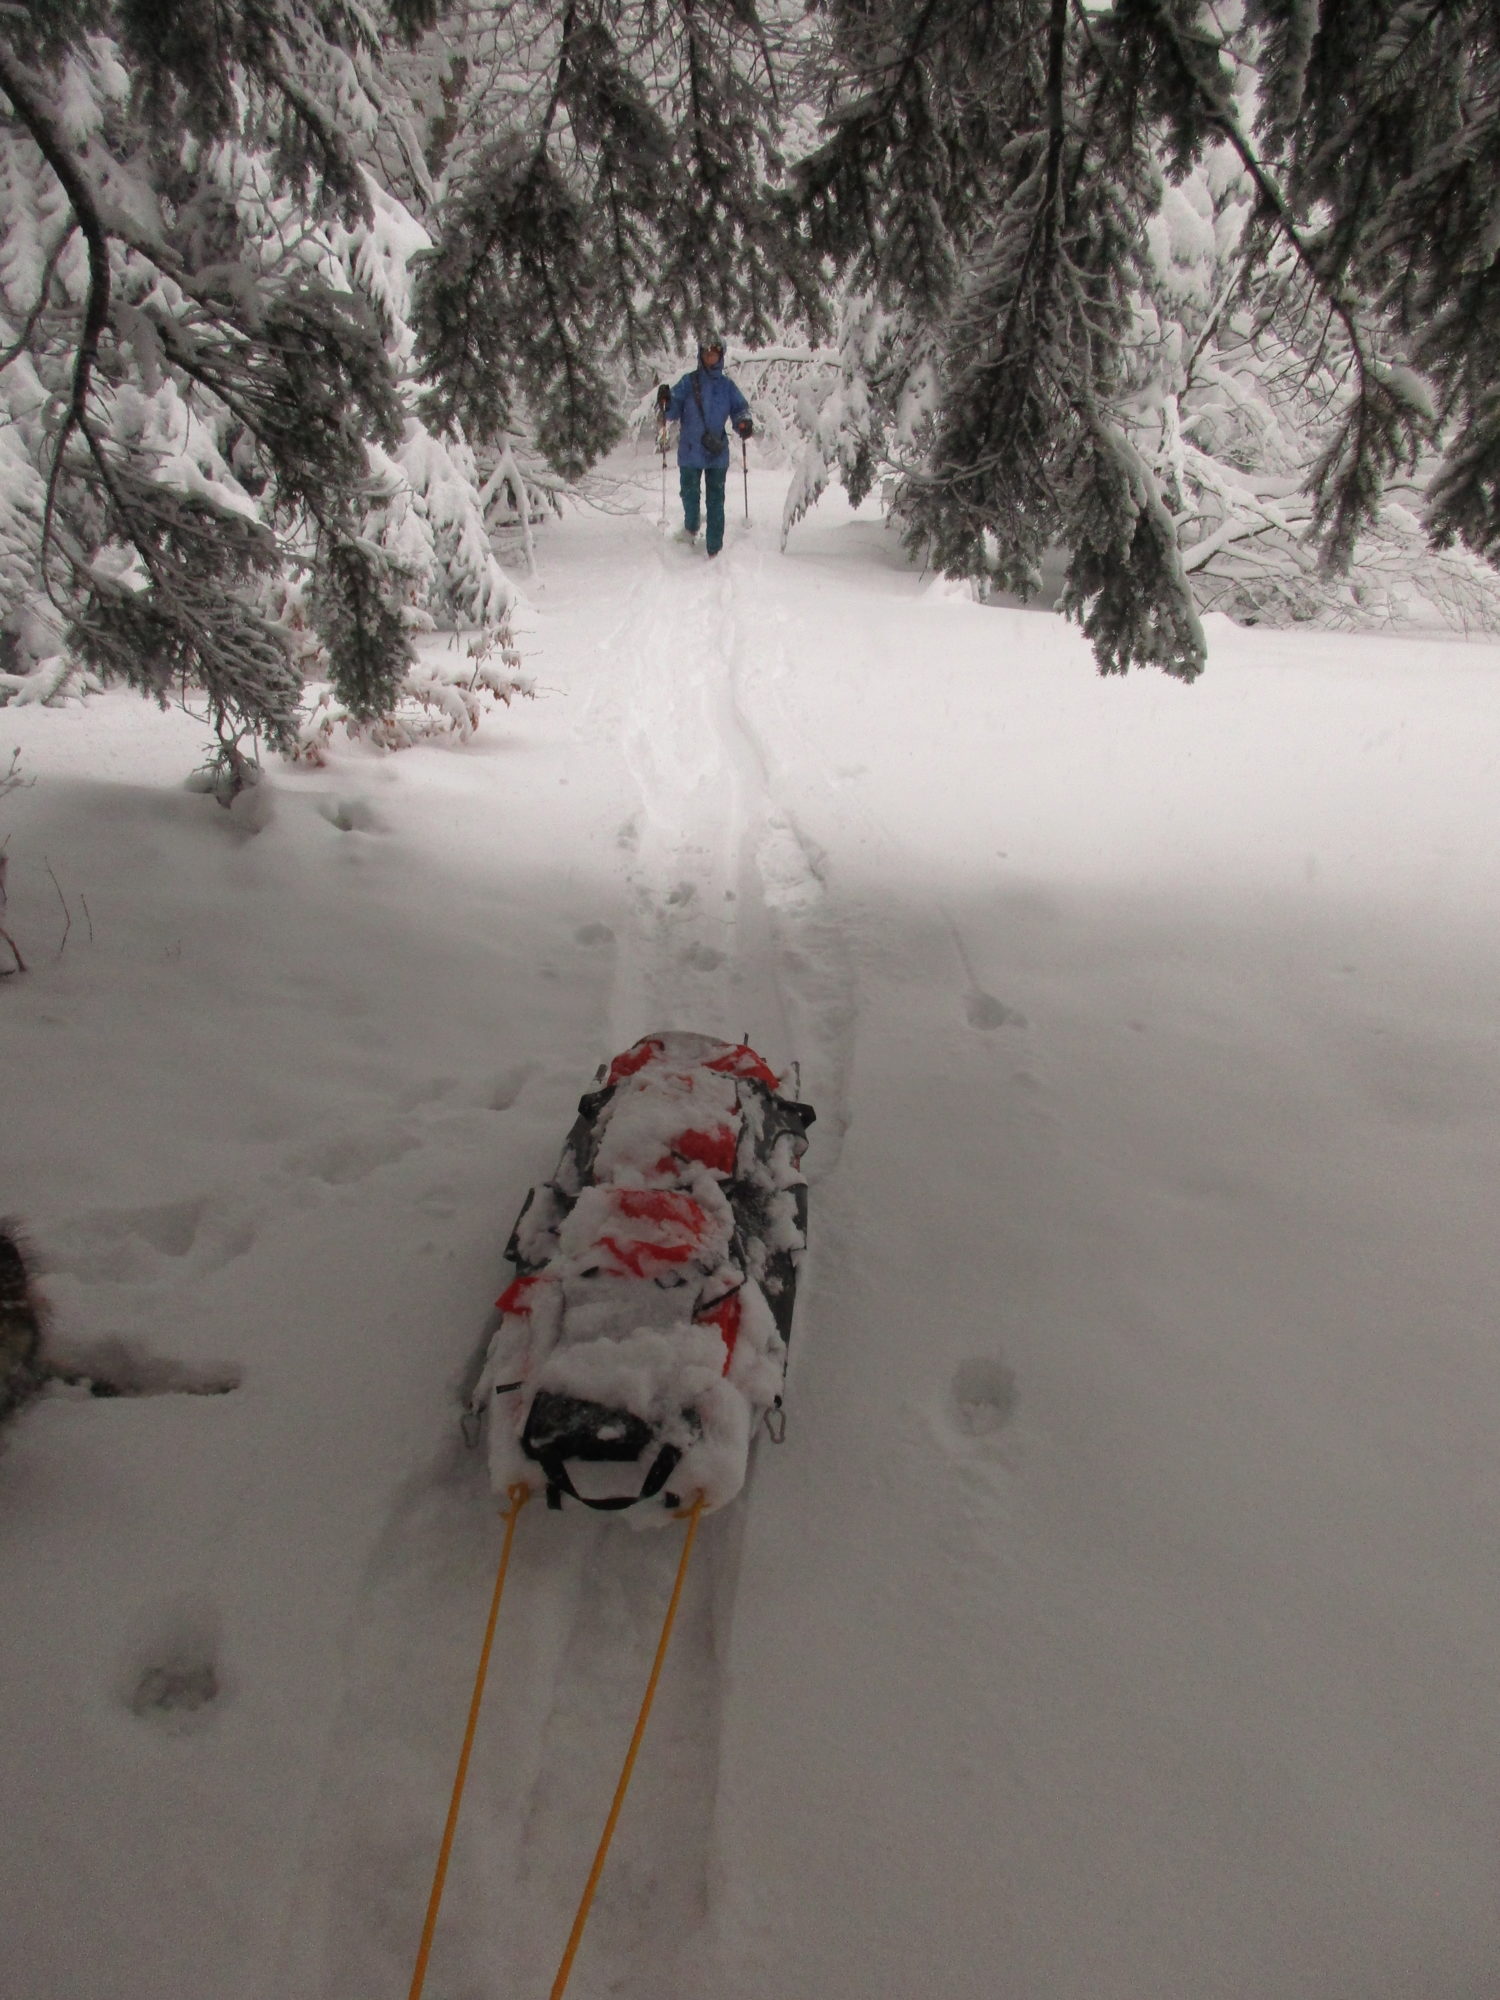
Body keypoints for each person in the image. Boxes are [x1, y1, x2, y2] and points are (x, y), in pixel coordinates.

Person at [656, 337, 753, 558]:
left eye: (715, 354)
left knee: (716, 501)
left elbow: (740, 409)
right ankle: (691, 528)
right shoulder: (688, 382)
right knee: (689, 496)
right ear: (701, 355)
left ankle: (714, 549)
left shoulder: (727, 386)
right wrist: (665, 400)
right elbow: (670, 412)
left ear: (721, 356)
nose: (711, 357)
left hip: (716, 454)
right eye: (707, 353)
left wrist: (743, 423)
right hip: (690, 452)